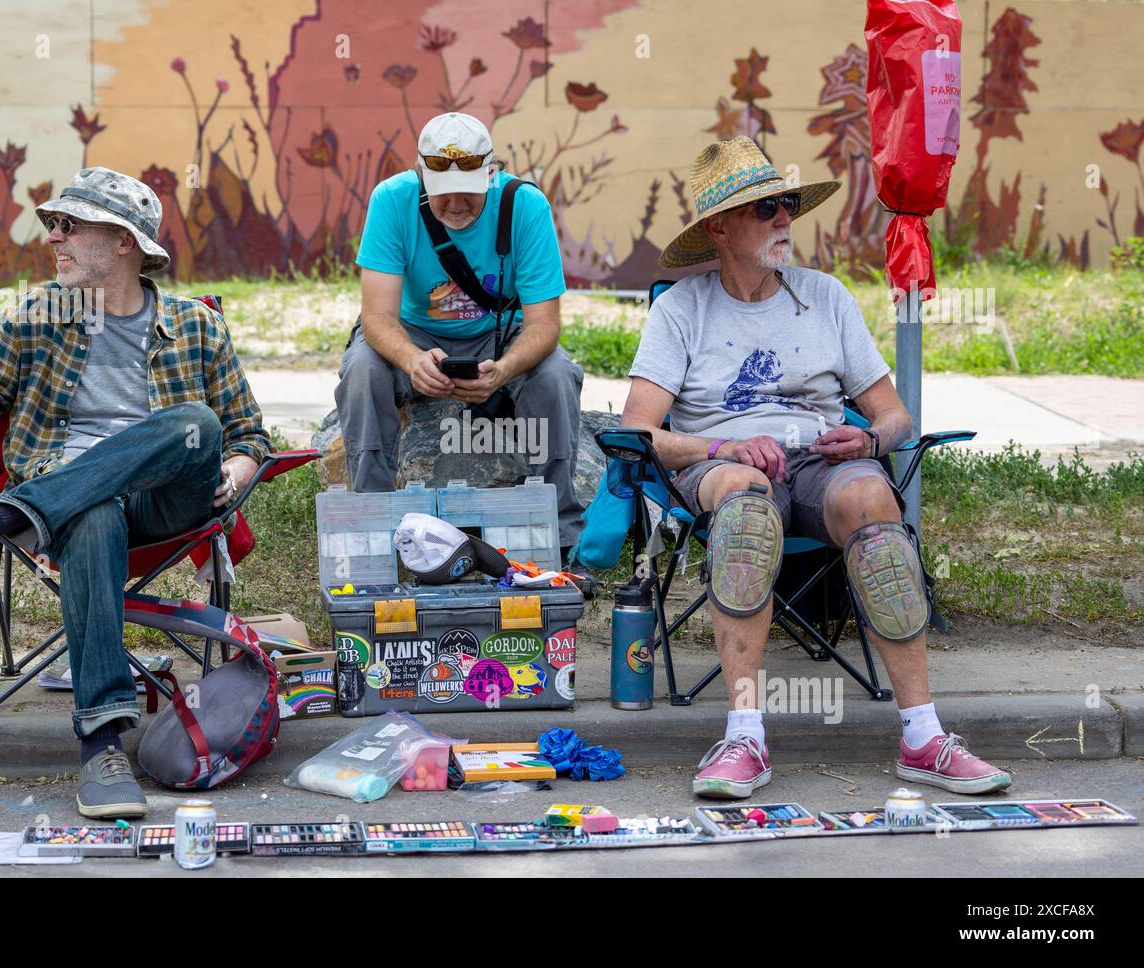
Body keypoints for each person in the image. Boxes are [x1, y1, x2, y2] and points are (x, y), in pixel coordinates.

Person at [620, 137, 1010, 799]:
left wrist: (866, 443)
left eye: (788, 206)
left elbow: (894, 417)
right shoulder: (679, 310)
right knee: (745, 507)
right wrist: (723, 449)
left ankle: (924, 736)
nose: (783, 220)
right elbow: (637, 431)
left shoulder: (825, 297)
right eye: (766, 207)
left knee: (872, 504)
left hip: (817, 467)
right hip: (721, 468)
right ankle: (744, 737)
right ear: (718, 227)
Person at [0, 167, 271, 818]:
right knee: (94, 509)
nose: (53, 237)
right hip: (73, 513)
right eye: (52, 224)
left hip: (167, 505)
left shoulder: (196, 327)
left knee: (197, 424)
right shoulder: (39, 316)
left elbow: (248, 434)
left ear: (124, 241)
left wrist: (240, 469)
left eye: (70, 225)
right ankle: (101, 745)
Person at [337, 112, 586, 559]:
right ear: (419, 177)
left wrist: (505, 370)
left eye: (468, 192)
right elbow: (376, 317)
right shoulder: (392, 200)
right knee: (361, 371)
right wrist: (412, 360)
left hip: (500, 334)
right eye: (441, 192)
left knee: (556, 376)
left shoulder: (525, 206)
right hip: (412, 330)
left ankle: (561, 535)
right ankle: (373, 521)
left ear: (491, 175)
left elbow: (545, 325)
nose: (455, 203)